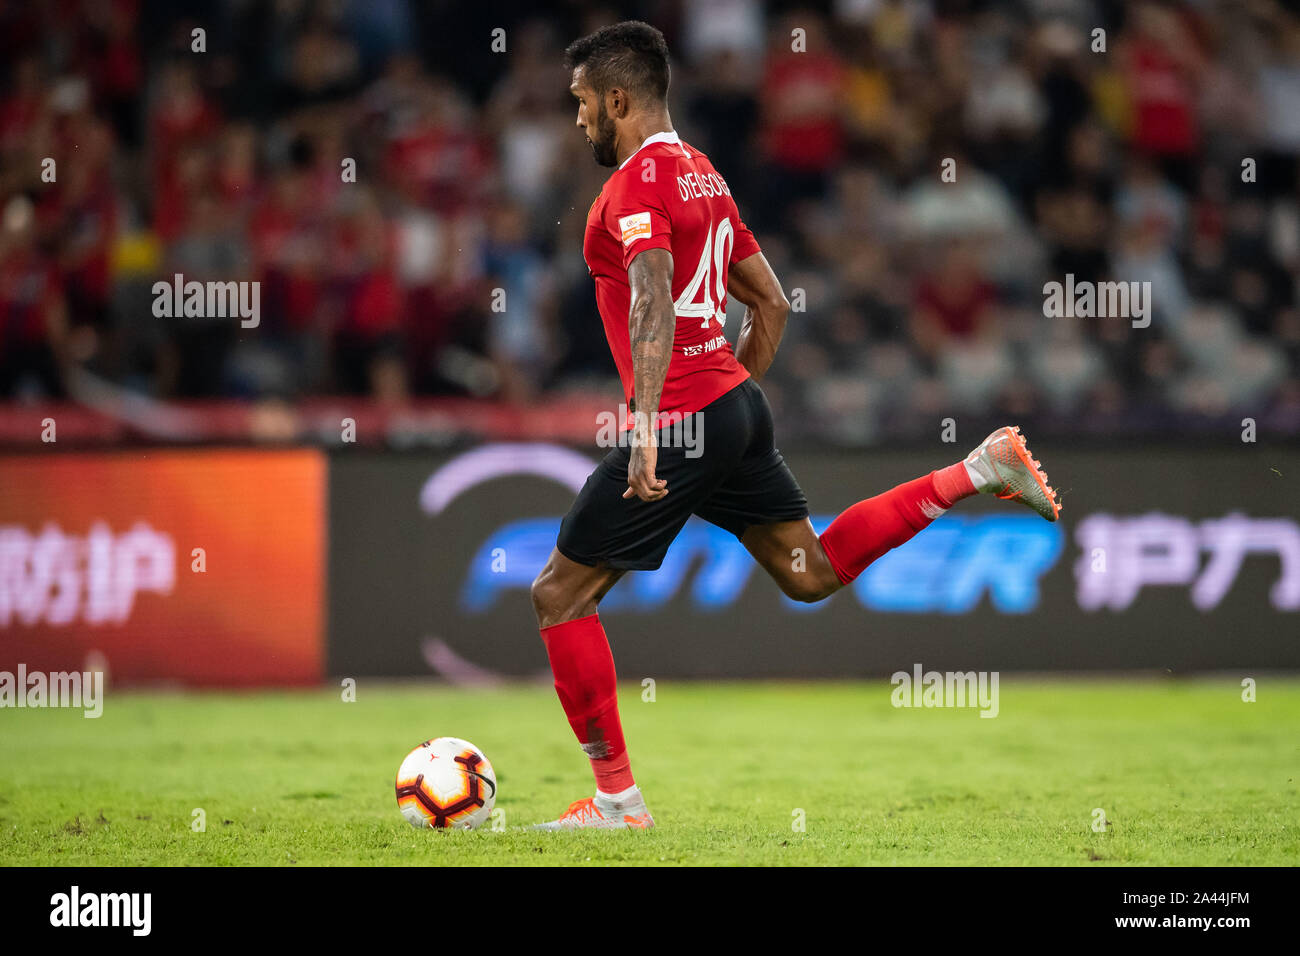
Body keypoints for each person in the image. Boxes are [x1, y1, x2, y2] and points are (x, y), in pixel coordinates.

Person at [531, 22, 1060, 830]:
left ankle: (617, 803)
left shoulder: (633, 188)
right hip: (733, 405)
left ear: (616, 98)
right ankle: (979, 470)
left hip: (681, 416)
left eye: (580, 104)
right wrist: (730, 406)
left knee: (560, 594)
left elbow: (649, 291)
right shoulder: (705, 175)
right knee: (809, 573)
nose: (577, 122)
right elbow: (772, 303)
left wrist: (650, 428)